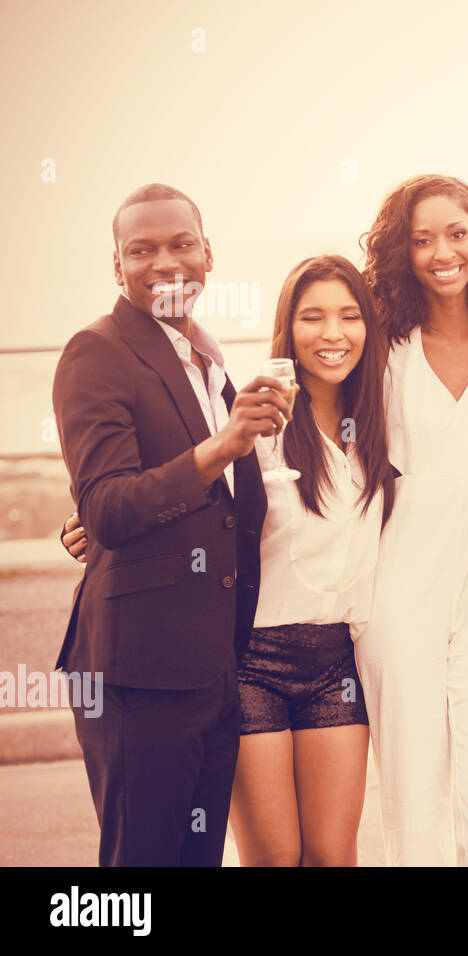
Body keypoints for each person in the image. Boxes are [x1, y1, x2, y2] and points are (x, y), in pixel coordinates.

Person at [51, 183, 288, 865]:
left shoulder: (210, 365)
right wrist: (221, 448)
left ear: (207, 254)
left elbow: (219, 513)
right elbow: (109, 509)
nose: (165, 262)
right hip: (135, 674)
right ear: (117, 266)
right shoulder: (96, 351)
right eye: (142, 249)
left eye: (180, 244)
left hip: (211, 671)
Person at [353, 174, 468, 866]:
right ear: (402, 251)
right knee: (414, 811)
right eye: (421, 239)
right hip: (397, 602)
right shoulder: (380, 351)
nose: (442, 253)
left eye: (457, 234)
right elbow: (312, 449)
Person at [227, 256, 394, 865]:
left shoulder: (381, 422)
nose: (333, 333)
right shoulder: (259, 419)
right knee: (274, 856)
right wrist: (88, 524)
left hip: (335, 662)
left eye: (350, 316)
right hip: (252, 663)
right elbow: (190, 494)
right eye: (313, 317)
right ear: (287, 328)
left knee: (330, 854)